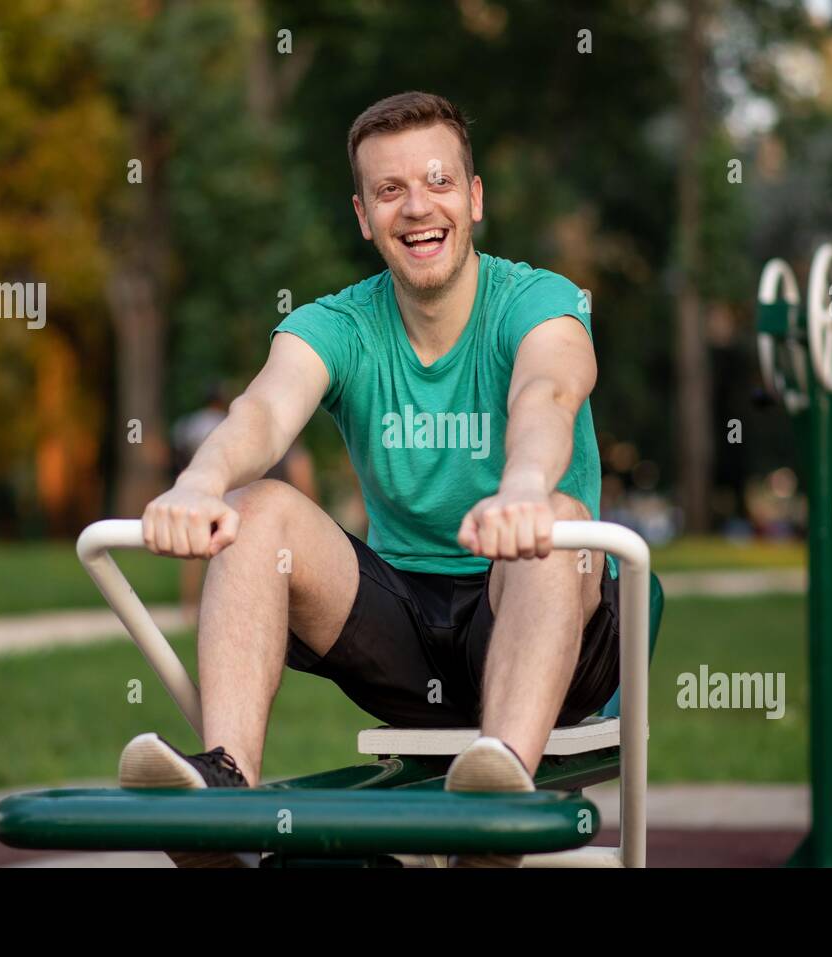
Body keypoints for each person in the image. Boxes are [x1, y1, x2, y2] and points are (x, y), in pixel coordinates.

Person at [117, 92, 620, 868]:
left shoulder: (540, 300)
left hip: (540, 616)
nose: (418, 208)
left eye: (439, 182)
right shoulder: (340, 324)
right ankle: (223, 788)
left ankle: (497, 799)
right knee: (258, 511)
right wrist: (201, 481)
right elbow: (262, 411)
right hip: (408, 636)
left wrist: (522, 486)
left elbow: (546, 393)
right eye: (391, 191)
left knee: (552, 526)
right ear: (363, 214)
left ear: (475, 198)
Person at [171, 386, 318, 626]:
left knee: (196, 552)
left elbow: (176, 449)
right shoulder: (230, 423)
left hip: (202, 488)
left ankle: (189, 607)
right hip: (236, 493)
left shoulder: (192, 424)